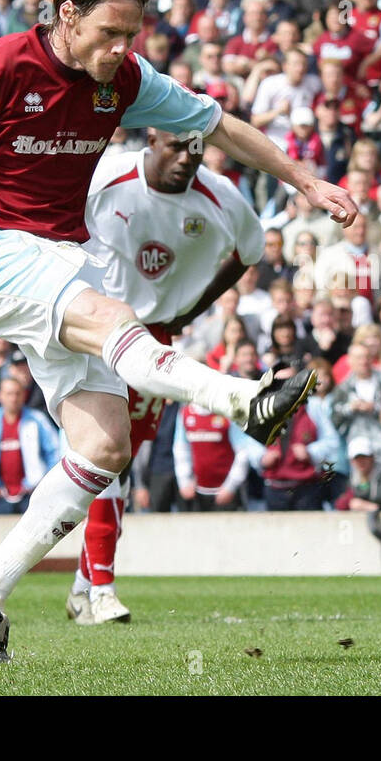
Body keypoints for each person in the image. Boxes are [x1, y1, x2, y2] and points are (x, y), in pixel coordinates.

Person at [0, 0, 354, 662]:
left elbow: (221, 124)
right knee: (117, 318)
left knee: (105, 445)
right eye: (110, 33)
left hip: (61, 255)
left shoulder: (127, 81)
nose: (122, 48)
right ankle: (243, 400)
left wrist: (303, 178)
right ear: (66, 16)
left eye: (132, 33)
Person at [66, 126, 266, 626]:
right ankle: (102, 591)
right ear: (151, 140)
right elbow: (54, 223)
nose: (185, 157)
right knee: (101, 457)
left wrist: (193, 307)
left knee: (117, 463)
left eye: (195, 148)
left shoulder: (221, 195)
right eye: (175, 146)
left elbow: (252, 249)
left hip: (153, 338)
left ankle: (84, 585)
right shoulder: (105, 175)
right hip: (94, 329)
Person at [0, 377, 60, 514]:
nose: (13, 398)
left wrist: (43, 481)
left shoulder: (37, 419)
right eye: (9, 394)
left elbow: (54, 451)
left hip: (32, 492)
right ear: (0, 396)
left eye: (17, 393)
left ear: (24, 395)